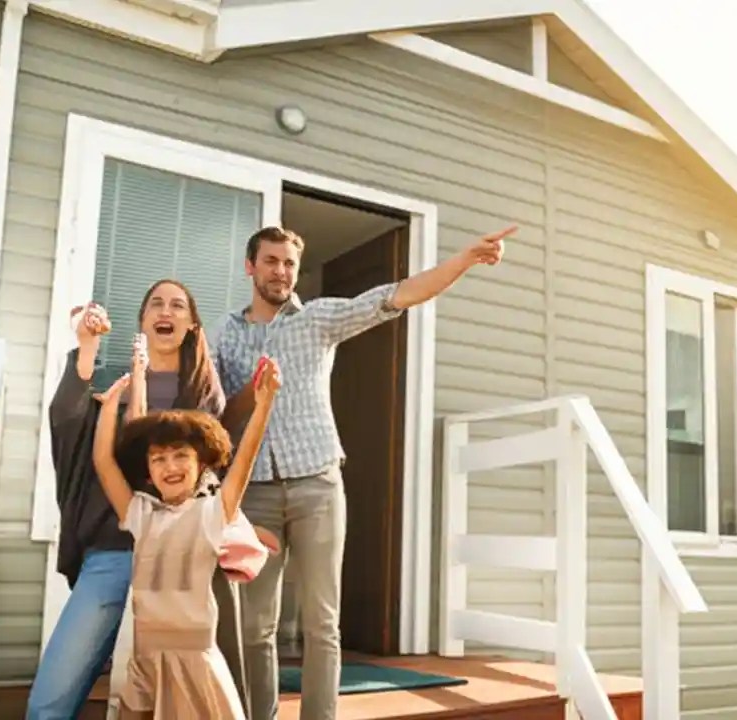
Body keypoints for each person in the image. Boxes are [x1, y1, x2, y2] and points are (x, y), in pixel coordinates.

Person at [210, 223, 514, 720]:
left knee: (322, 622)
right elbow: (216, 417)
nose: (281, 271)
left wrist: (464, 260)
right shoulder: (225, 336)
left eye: (288, 263)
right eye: (271, 261)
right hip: (255, 492)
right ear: (251, 267)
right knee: (253, 627)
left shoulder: (319, 319)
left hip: (317, 485)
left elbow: (398, 295)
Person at [27, 280, 249, 718]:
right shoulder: (116, 387)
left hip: (178, 565)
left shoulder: (204, 396)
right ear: (144, 320)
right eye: (156, 304)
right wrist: (87, 347)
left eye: (178, 305)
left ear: (190, 325)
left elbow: (211, 478)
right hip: (114, 552)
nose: (166, 311)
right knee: (49, 700)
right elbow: (65, 419)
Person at [89, 354, 281, 719]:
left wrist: (264, 403)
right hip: (146, 660)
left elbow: (245, 461)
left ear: (202, 465)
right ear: (147, 470)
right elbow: (103, 462)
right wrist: (111, 405)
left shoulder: (212, 512)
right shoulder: (140, 513)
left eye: (181, 456)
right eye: (158, 459)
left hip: (195, 661)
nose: (170, 466)